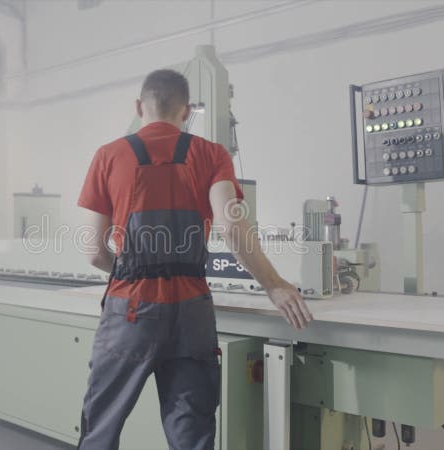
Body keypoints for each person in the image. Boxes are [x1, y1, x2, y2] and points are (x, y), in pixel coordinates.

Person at [76, 68, 313, 450]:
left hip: (131, 310)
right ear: (186, 111)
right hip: (191, 312)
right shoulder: (212, 155)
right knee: (192, 434)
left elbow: (94, 252)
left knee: (101, 427)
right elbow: (232, 228)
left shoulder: (108, 156)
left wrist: (131, 275)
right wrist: (276, 286)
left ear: (140, 106)